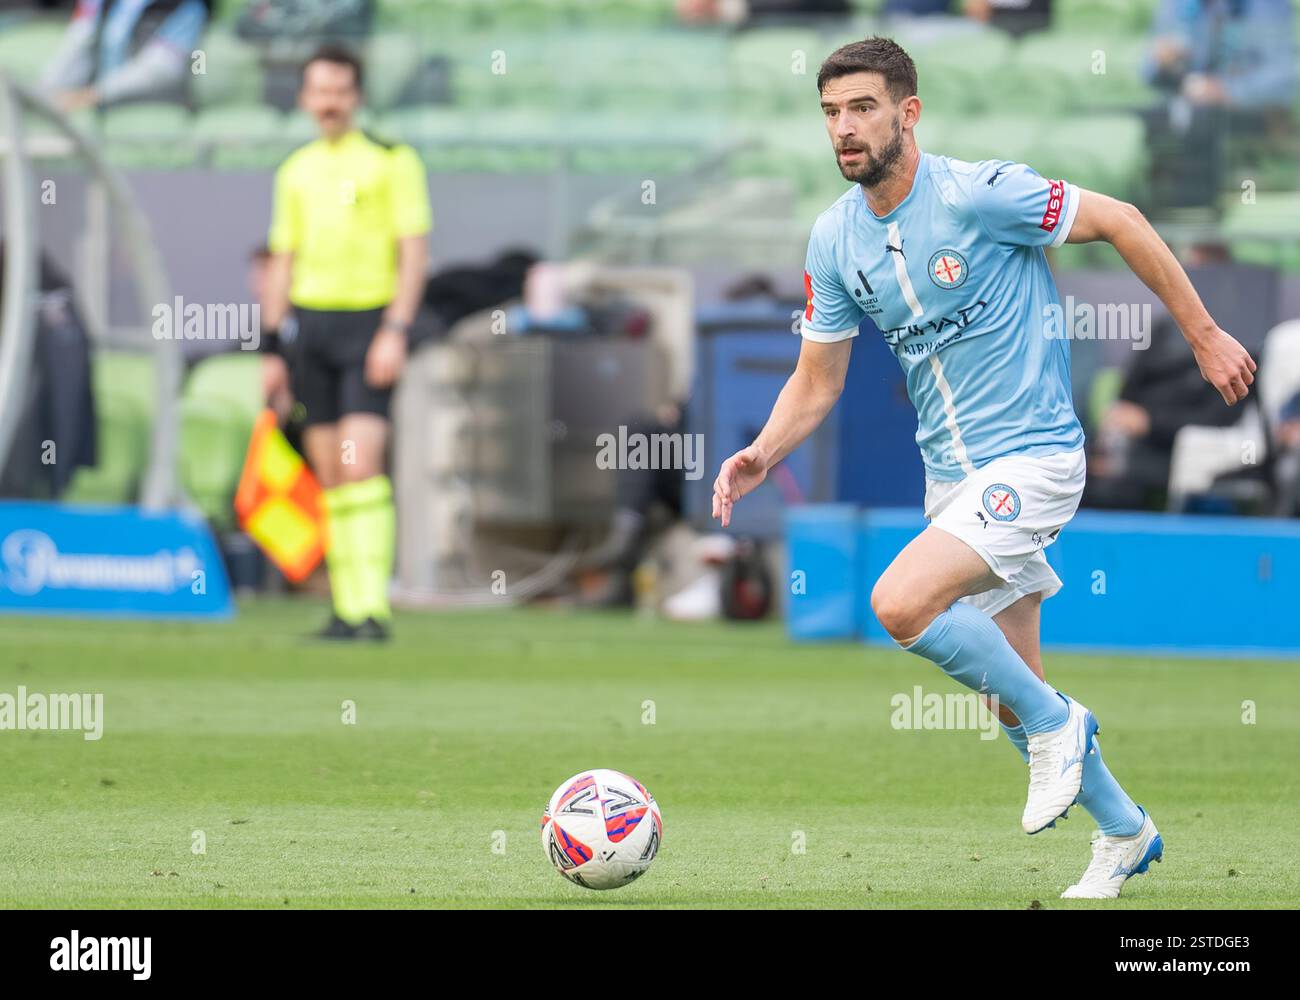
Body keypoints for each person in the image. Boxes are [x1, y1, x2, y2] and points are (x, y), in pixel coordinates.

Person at [711, 37, 1256, 899]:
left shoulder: (981, 193)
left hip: (1035, 457)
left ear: (907, 112)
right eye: (830, 114)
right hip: (951, 482)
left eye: (861, 109)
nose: (844, 130)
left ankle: (1061, 725)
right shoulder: (834, 239)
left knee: (899, 604)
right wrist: (761, 453)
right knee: (1009, 690)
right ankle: (1124, 831)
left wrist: (1203, 333)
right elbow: (818, 381)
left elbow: (1121, 219)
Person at [260, 45, 431, 641]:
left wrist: (396, 329)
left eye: (339, 91)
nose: (329, 102)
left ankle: (372, 607)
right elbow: (282, 260)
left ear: (356, 96)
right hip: (310, 327)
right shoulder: (296, 171)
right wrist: (272, 349)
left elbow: (412, 253)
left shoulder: (393, 160)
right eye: (319, 91)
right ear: (305, 98)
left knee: (363, 462)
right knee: (330, 469)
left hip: (368, 323)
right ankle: (343, 604)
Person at [41, 0, 212, 111]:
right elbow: (78, 45)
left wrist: (92, 95)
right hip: (94, 101)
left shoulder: (188, 7)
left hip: (153, 106)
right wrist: (46, 94)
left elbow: (160, 71)